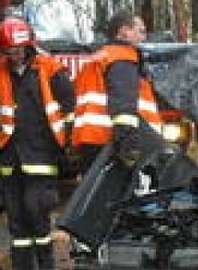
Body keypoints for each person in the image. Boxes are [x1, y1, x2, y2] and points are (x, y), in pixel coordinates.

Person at [0, 17, 75, 270]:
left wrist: (69, 143)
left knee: (36, 208)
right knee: (15, 213)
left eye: (17, 50)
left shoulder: (51, 70)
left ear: (28, 45)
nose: (13, 55)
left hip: (41, 152)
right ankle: (21, 269)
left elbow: (70, 108)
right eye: (8, 51)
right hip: (9, 154)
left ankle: (47, 267)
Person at [69, 11, 165, 168]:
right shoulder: (123, 57)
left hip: (91, 140)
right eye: (140, 31)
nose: (144, 38)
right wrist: (129, 147)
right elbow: (123, 106)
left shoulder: (99, 57)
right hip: (113, 142)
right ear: (124, 32)